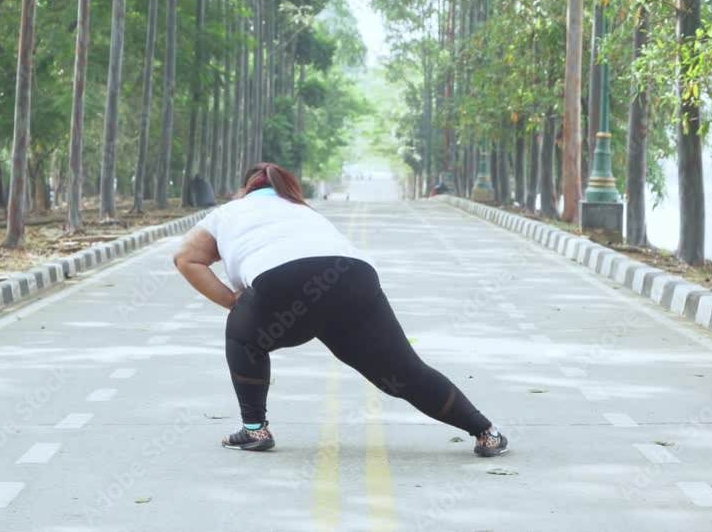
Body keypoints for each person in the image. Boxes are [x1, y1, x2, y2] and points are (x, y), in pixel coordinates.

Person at [173, 162, 508, 457]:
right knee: (405, 373)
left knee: (242, 336)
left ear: (245, 189)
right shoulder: (305, 211)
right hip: (354, 278)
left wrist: (233, 301)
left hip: (282, 285)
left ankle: (255, 429)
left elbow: (185, 258)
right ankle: (486, 432)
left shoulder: (228, 212)